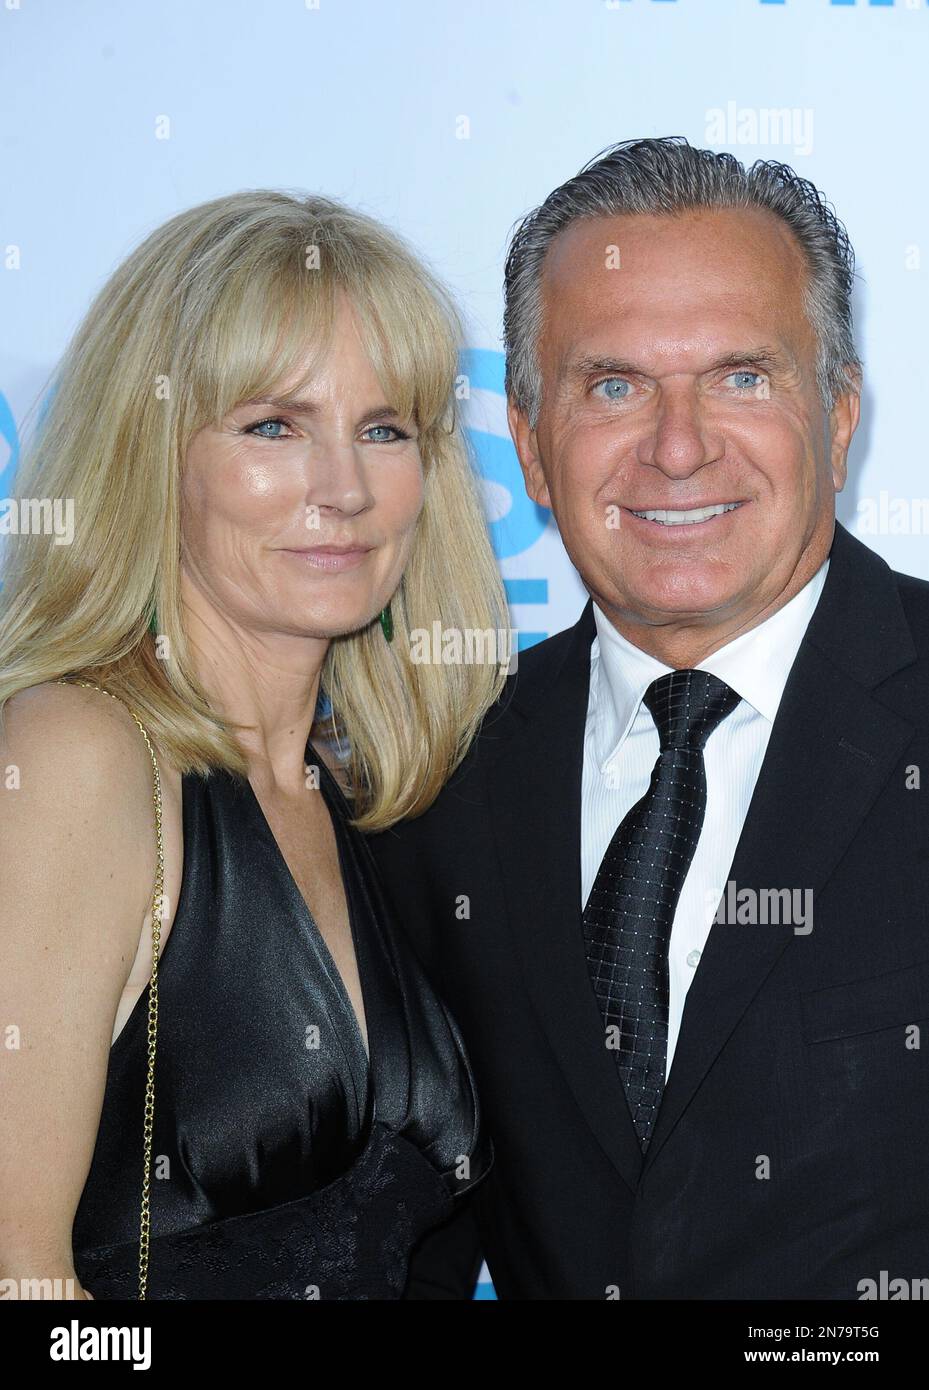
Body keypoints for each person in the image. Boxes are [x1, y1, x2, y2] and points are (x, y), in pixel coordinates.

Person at [369, 136, 929, 1299]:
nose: (677, 449)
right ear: (528, 442)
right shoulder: (436, 781)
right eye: (612, 385)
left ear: (836, 416)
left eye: (740, 376)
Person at [0, 189, 508, 1300]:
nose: (344, 489)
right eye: (273, 426)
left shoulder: (367, 796)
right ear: (151, 453)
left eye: (384, 430)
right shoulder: (79, 755)